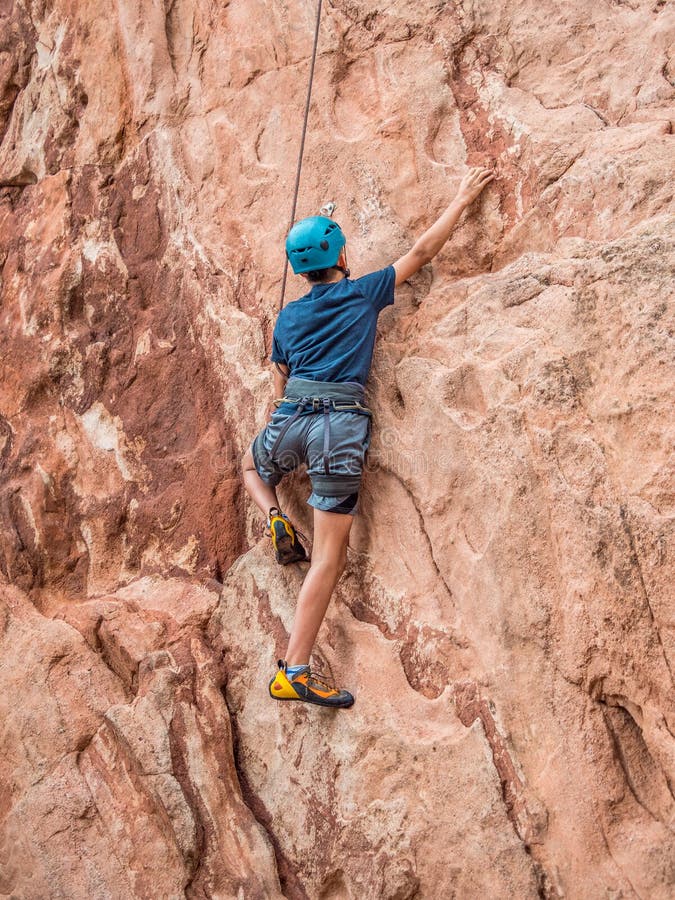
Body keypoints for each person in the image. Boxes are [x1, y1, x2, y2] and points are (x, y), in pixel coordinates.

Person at [241, 166, 494, 708]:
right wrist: (462, 198)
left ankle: (273, 515)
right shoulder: (362, 294)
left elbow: (280, 379)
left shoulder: (287, 318)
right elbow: (422, 252)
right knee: (329, 557)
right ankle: (296, 671)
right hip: (337, 427)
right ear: (340, 257)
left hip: (290, 419)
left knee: (251, 467)